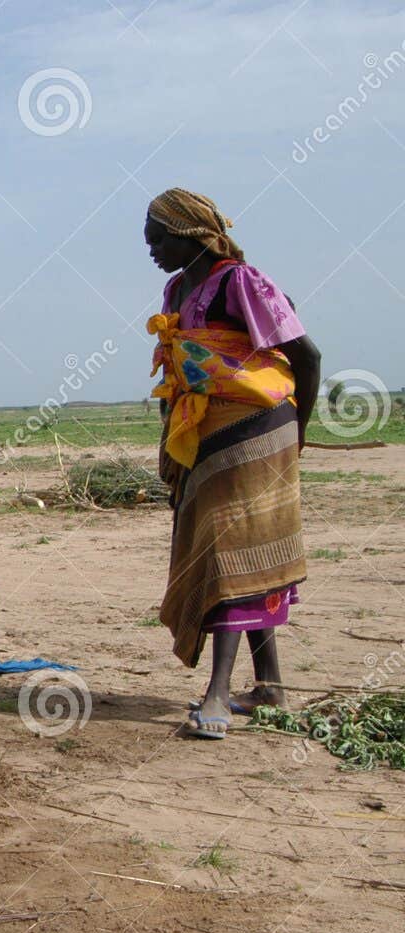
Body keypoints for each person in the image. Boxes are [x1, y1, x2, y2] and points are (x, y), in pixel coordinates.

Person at [143, 188, 321, 739]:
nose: (151, 249)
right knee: (237, 547)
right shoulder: (176, 289)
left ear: (186, 233)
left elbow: (306, 356)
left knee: (227, 549)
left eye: (158, 238)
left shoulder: (240, 282)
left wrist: (300, 430)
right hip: (201, 434)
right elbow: (180, 373)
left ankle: (217, 694)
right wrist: (170, 446)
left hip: (258, 430)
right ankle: (270, 686)